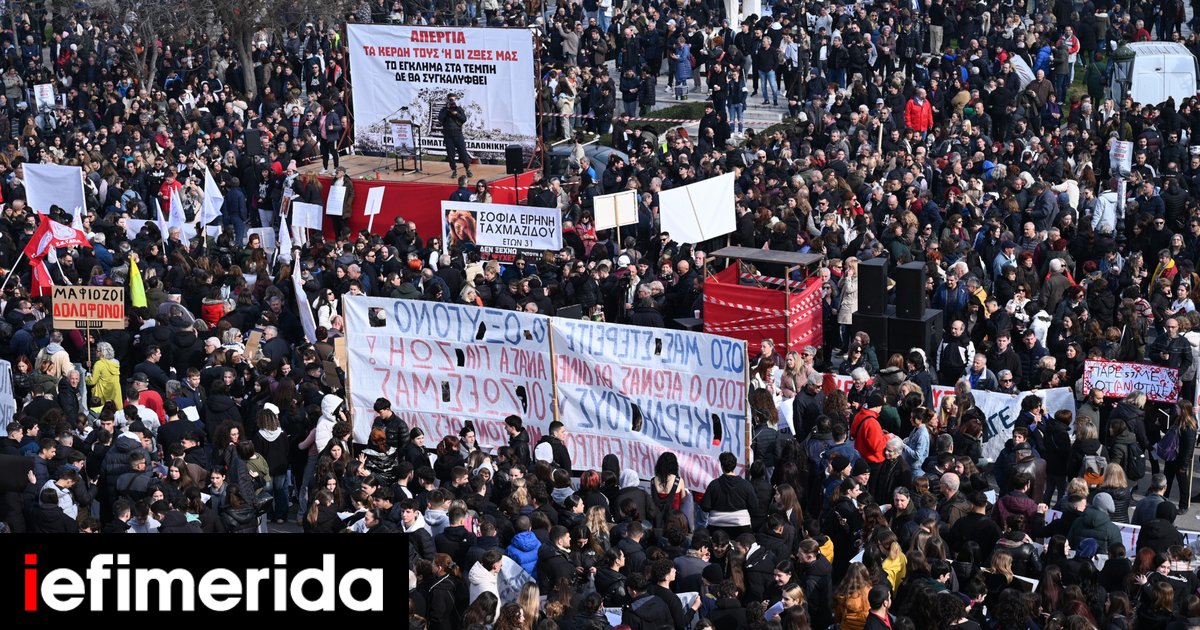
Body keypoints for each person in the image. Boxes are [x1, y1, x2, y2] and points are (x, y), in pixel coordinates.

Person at [437, 94, 473, 179]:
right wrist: (447, 110)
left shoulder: (459, 109)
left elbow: (464, 119)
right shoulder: (444, 110)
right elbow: (440, 118)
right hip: (448, 136)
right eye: (450, 99)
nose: (452, 101)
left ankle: (467, 169)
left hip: (458, 135)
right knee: (450, 155)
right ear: (447, 100)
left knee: (463, 153)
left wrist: (456, 114)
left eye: (453, 99)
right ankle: (454, 170)